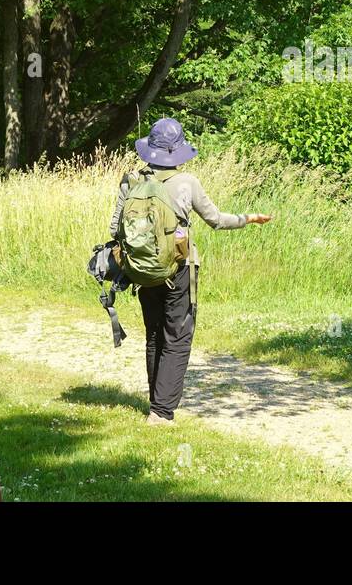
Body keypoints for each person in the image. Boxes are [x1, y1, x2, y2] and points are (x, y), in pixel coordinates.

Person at [110, 117, 271, 425]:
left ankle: (156, 404)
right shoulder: (188, 183)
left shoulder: (131, 181)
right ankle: (161, 412)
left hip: (142, 272)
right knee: (178, 336)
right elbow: (217, 220)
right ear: (178, 151)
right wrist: (249, 217)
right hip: (180, 269)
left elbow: (114, 228)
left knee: (155, 334)